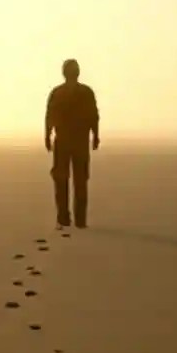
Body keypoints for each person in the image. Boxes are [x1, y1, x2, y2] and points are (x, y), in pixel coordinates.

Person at [45, 59, 100, 228]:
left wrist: (47, 136)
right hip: (77, 141)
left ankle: (64, 218)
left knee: (64, 180)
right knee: (79, 180)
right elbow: (94, 116)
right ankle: (79, 220)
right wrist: (95, 135)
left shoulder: (58, 92)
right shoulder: (85, 92)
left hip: (66, 141)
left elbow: (49, 116)